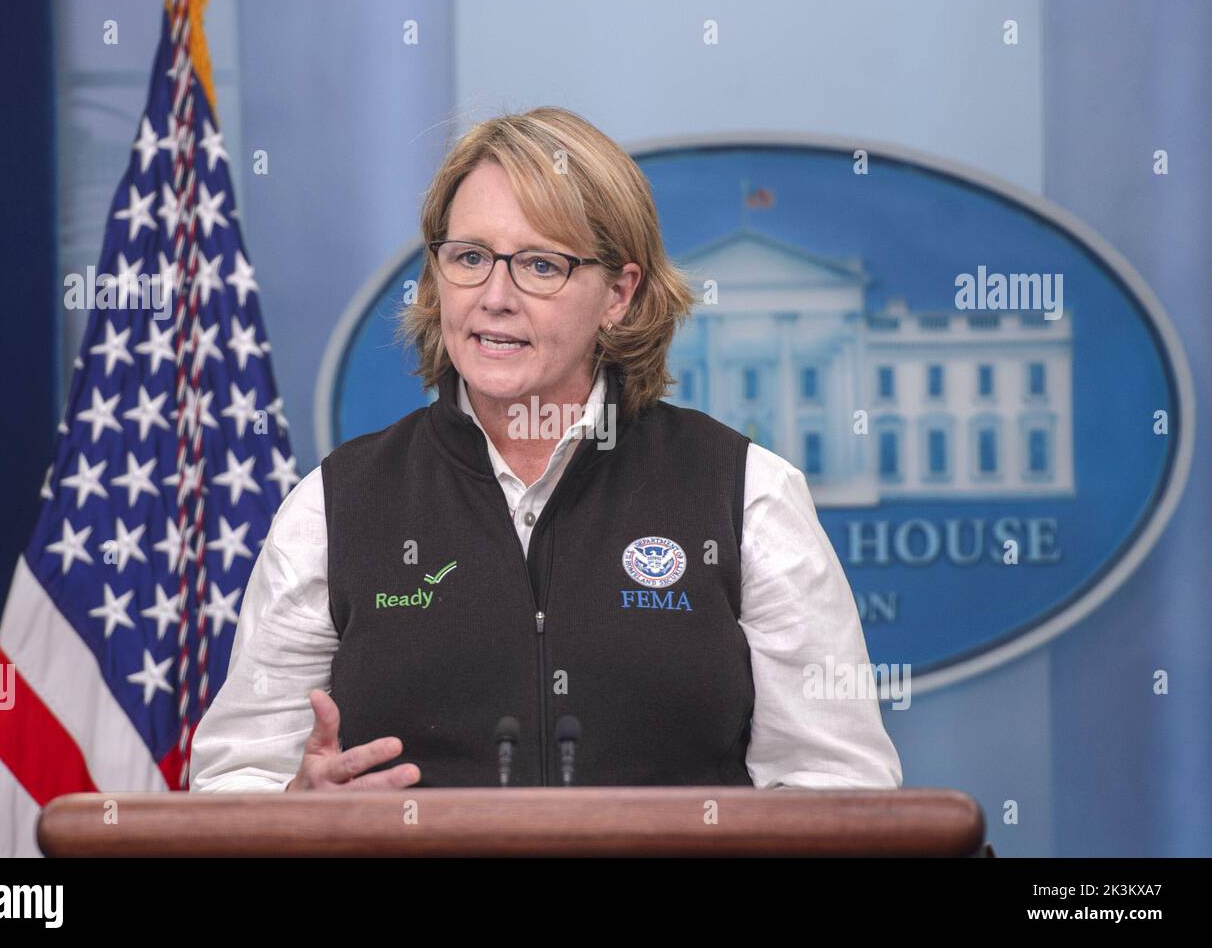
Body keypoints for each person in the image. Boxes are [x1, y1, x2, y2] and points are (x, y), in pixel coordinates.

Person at [190, 106, 902, 792]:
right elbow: (232, 778)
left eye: (539, 265)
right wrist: (295, 810)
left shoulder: (746, 493)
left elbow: (840, 788)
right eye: (469, 257)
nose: (495, 296)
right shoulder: (334, 505)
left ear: (619, 292)